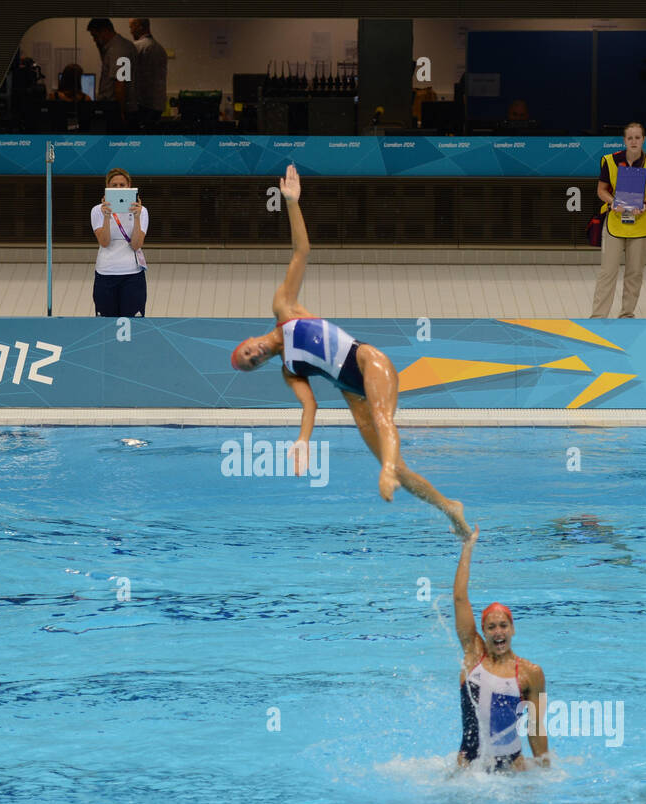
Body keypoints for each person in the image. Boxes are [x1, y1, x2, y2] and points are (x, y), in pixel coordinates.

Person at [229, 165, 471, 539]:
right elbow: (310, 407)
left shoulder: (284, 309)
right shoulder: (290, 370)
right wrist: (302, 442)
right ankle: (449, 509)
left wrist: (292, 203)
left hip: (369, 362)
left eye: (247, 353)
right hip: (352, 394)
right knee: (400, 470)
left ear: (246, 341)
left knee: (384, 422)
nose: (253, 356)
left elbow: (301, 251)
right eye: (252, 363)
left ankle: (387, 470)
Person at [454, 526, 549, 772]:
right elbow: (460, 599)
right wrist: (467, 546)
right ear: (483, 632)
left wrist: (546, 771)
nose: (498, 632)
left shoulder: (530, 673)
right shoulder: (473, 655)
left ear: (513, 629)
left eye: (503, 626)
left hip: (513, 767)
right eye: (491, 627)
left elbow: (536, 728)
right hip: (470, 769)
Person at [590, 122, 646, 318]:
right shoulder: (610, 160)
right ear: (624, 140)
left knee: (634, 273)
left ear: (643, 140)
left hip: (641, 224)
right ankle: (598, 316)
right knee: (608, 272)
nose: (633, 141)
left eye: (637, 137)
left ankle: (627, 315)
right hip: (615, 221)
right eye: (630, 138)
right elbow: (601, 190)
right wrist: (613, 203)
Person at [91, 167, 147, 317]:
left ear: (129, 186)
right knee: (105, 326)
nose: (118, 188)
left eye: (122, 185)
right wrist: (107, 217)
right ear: (107, 188)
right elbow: (104, 242)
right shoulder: (97, 211)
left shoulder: (142, 211)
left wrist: (136, 217)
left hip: (132, 275)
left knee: (132, 325)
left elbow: (136, 245)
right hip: (105, 274)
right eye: (114, 185)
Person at [87, 18, 138, 130]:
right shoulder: (119, 46)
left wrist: (120, 113)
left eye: (95, 36)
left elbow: (120, 84)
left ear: (105, 31)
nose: (94, 40)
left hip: (116, 109)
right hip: (116, 107)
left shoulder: (118, 50)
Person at [129, 19, 167, 129]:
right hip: (158, 105)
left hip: (142, 105)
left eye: (131, 27)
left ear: (140, 27)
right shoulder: (161, 49)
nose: (130, 31)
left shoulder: (136, 47)